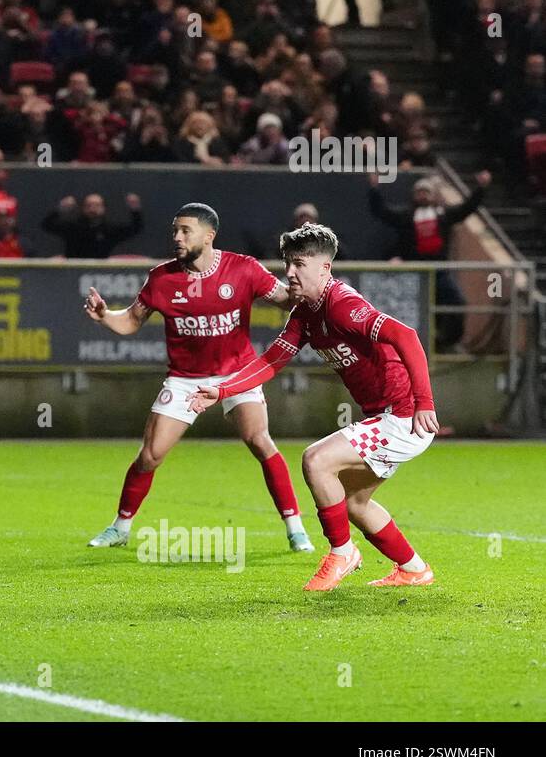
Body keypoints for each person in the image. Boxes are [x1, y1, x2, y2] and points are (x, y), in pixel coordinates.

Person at [188, 223, 438, 591]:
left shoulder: (342, 305)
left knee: (316, 460)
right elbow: (271, 361)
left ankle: (342, 552)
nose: (289, 272)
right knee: (353, 502)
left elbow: (406, 335)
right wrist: (223, 389)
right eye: (288, 263)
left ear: (325, 268)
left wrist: (424, 403)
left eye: (299, 263)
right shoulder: (305, 314)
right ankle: (414, 569)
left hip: (401, 417)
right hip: (384, 418)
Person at [83, 203, 312, 553]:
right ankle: (121, 527)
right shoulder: (161, 278)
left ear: (209, 235)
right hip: (185, 380)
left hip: (237, 374)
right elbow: (130, 321)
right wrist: (104, 316)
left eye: (185, 231)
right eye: (175, 230)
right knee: (150, 455)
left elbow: (284, 300)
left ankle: (296, 529)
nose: (177, 237)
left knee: (260, 441)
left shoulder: (243, 268)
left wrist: (301, 283)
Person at [367, 170, 491, 349]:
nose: (423, 196)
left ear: (433, 196)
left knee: (457, 303)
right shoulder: (407, 217)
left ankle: (446, 343)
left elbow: (467, 208)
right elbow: (381, 212)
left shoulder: (443, 216)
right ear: (414, 196)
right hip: (413, 274)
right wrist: (374, 188)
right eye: (420, 192)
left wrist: (481, 189)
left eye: (427, 192)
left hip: (439, 272)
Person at [42, 193, 143, 258]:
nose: (93, 209)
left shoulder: (109, 229)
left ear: (104, 208)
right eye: (89, 205)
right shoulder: (73, 227)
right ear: (83, 208)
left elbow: (135, 229)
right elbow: (47, 225)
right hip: (72, 270)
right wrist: (60, 209)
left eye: (97, 205)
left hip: (99, 273)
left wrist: (135, 211)